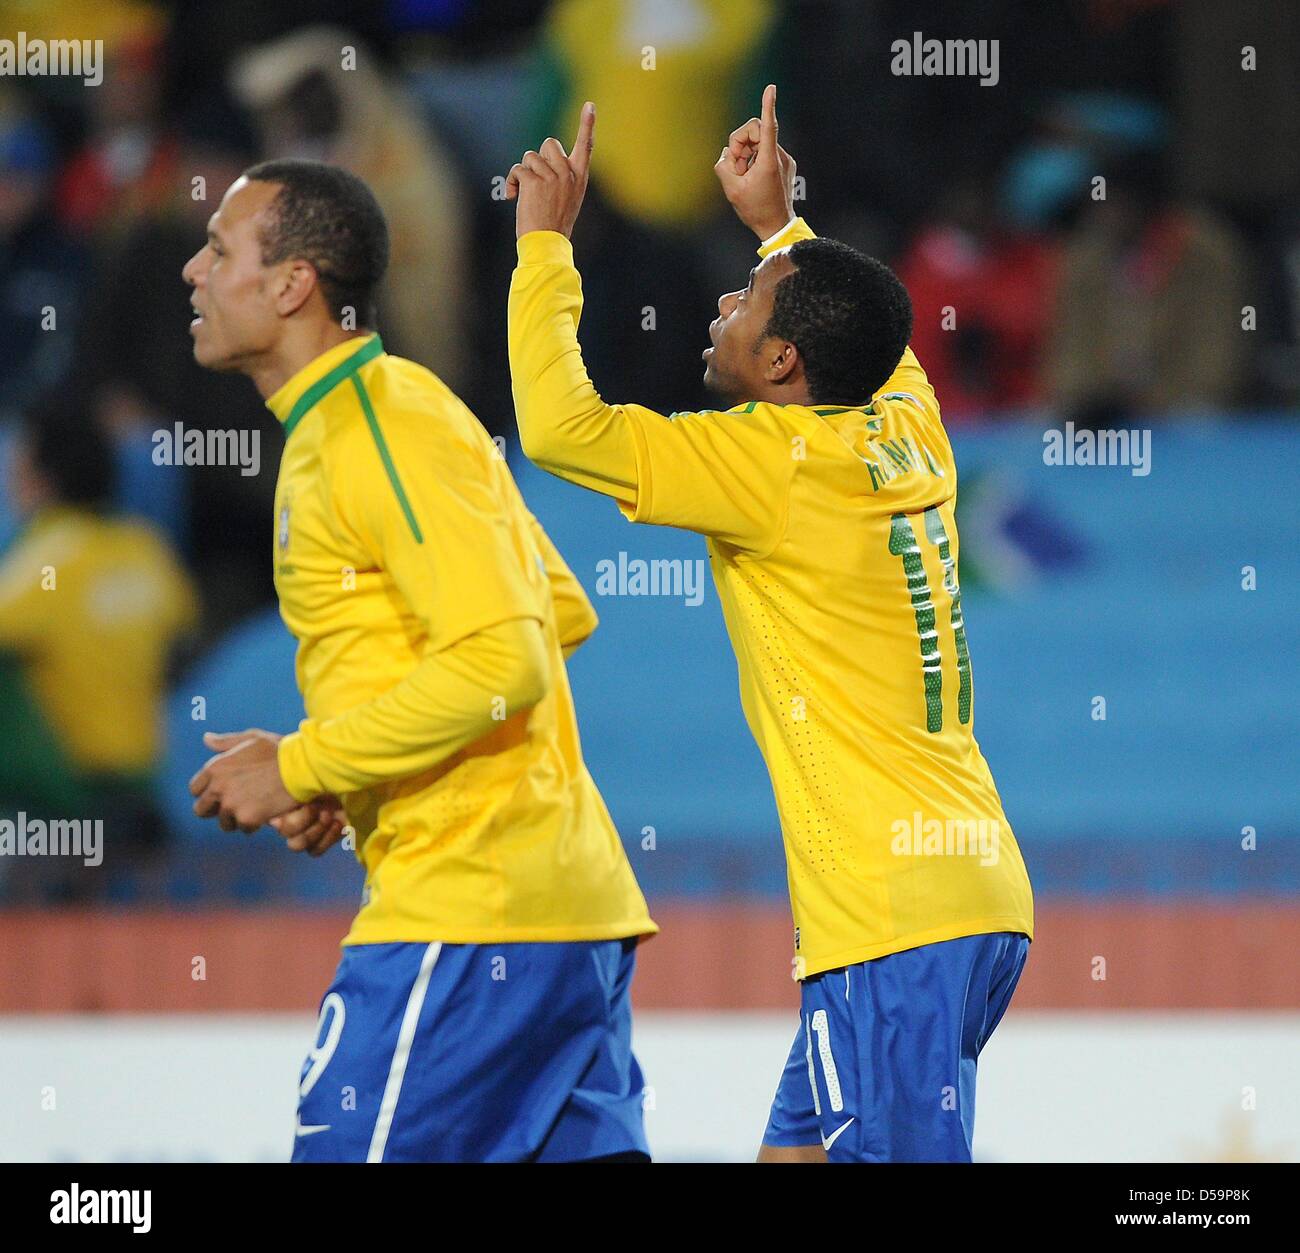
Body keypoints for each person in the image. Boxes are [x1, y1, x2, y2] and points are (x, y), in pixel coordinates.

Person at [506, 86, 1034, 1163]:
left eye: (747, 298)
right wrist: (777, 224)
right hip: (954, 892)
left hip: (894, 920)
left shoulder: (766, 463)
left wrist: (544, 251)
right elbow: (863, 324)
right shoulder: (907, 425)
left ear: (783, 364)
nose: (725, 305)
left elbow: (560, 429)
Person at [183, 159, 656, 1162]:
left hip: (469, 916)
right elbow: (556, 611)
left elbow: (507, 655)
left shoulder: (373, 424)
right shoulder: (394, 411)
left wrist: (301, 765)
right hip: (553, 922)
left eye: (219, 249)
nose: (193, 269)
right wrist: (354, 764)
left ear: (290, 284)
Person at [0, 397, 196, 899]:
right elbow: (182, 639)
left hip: (63, 810)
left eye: (16, 468)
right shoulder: (146, 550)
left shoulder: (43, 561)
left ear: (41, 480)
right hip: (148, 800)